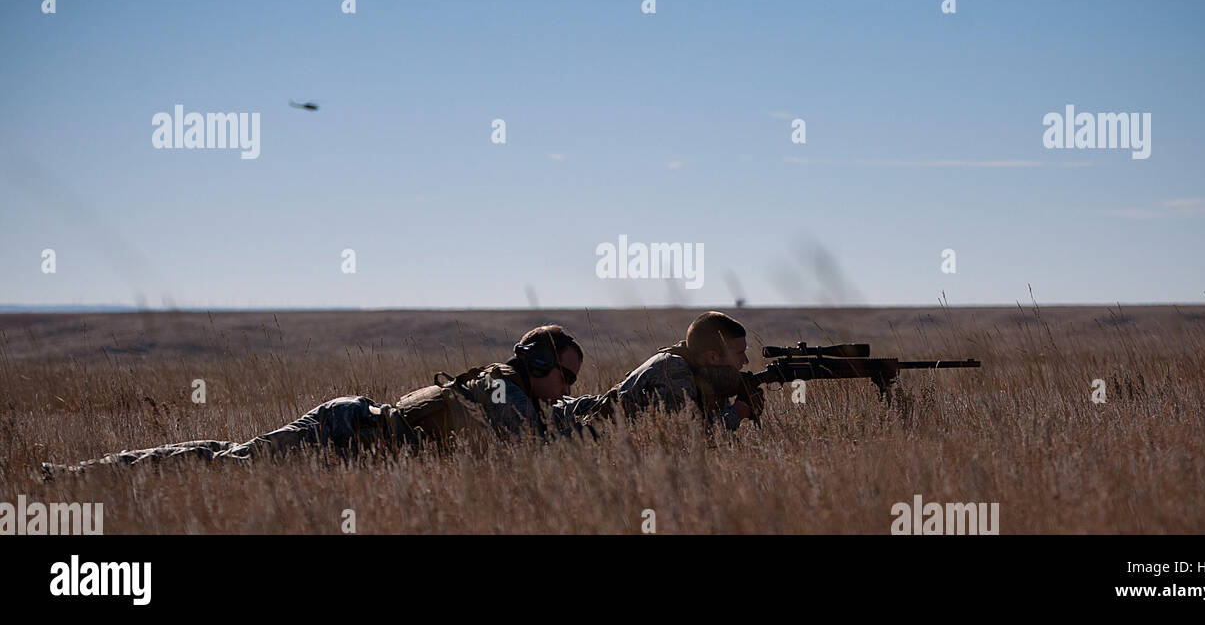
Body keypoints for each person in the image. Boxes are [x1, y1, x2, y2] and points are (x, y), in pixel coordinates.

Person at [41, 325, 586, 477]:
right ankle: (82, 473)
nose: (568, 389)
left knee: (232, 460)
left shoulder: (520, 398)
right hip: (343, 432)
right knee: (229, 464)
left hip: (352, 438)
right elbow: (527, 447)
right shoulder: (500, 389)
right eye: (565, 376)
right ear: (538, 364)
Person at [558, 311, 763, 431]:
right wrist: (738, 412)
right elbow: (684, 437)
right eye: (739, 353)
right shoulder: (674, 369)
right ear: (712, 357)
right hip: (571, 420)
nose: (745, 361)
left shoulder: (708, 374)